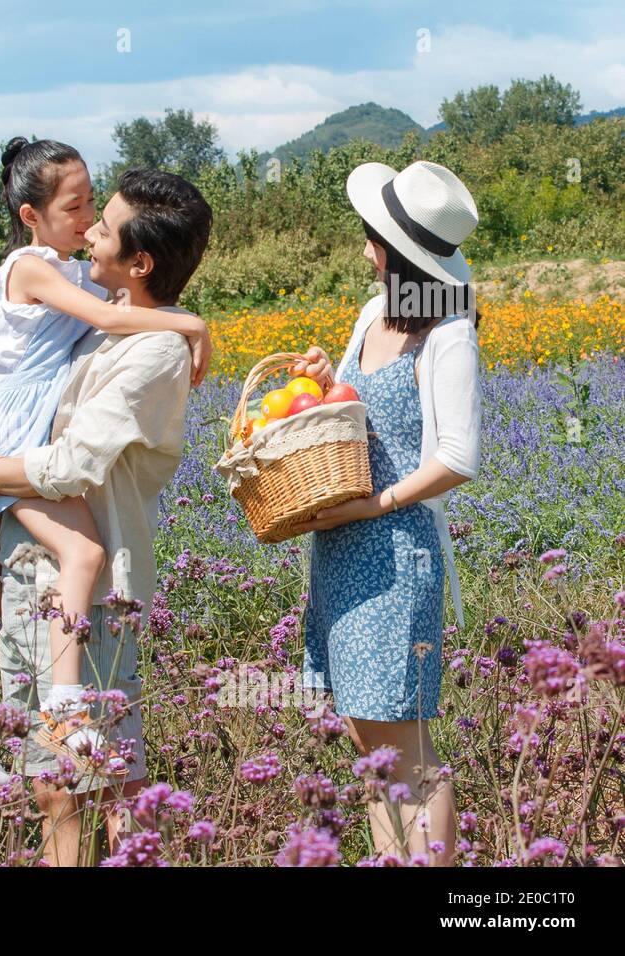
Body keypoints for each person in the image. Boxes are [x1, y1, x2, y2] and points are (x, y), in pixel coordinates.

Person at [0, 167, 214, 864]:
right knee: (62, 772)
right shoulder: (98, 319)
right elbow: (15, 393)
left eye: (104, 226)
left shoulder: (152, 351)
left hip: (83, 583)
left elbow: (70, 465)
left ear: (140, 261)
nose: (89, 232)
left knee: (92, 776)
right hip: (33, 563)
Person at [292, 159, 483, 865]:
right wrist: (322, 380)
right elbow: (350, 409)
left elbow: (458, 457)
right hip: (343, 548)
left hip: (396, 551)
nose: (366, 249)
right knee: (370, 743)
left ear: (399, 250)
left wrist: (375, 504)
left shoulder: (448, 331)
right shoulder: (375, 312)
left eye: (373, 238)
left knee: (400, 747)